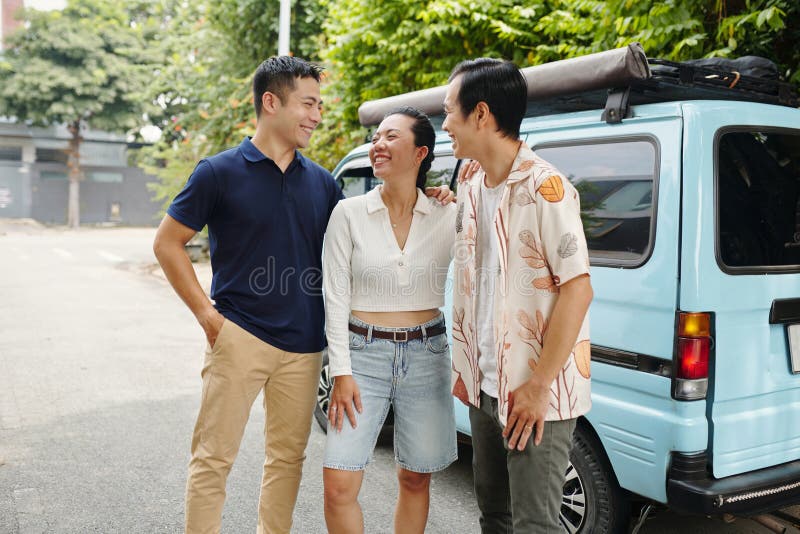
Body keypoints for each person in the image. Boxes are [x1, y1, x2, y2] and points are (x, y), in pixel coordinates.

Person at [153, 56, 453, 534]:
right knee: (214, 459)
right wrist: (210, 320)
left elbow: (365, 236)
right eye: (308, 104)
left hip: (304, 348)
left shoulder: (322, 183)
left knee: (287, 460)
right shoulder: (219, 172)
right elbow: (167, 243)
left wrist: (431, 194)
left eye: (319, 105)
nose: (317, 115)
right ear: (271, 102)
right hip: (239, 337)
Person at [445, 58, 594, 533]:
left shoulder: (546, 188)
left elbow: (579, 289)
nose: (445, 123)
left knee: (534, 526)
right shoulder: (469, 181)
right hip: (483, 383)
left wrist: (538, 386)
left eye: (451, 111)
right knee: (494, 514)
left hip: (535, 394)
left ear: (481, 114)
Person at [322, 107, 457, 534]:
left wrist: (452, 197)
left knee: (415, 477)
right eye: (376, 137)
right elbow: (334, 295)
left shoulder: (447, 214)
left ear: (420, 153)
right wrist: (340, 369)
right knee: (339, 483)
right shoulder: (348, 213)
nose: (377, 144)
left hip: (427, 351)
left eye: (390, 136)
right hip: (362, 356)